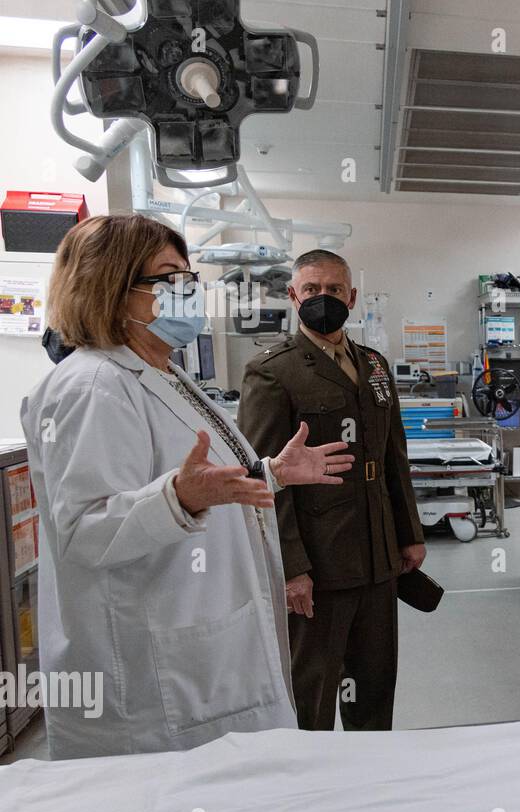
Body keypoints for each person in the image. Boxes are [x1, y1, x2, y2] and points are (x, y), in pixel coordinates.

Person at [21, 214, 353, 759]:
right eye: (168, 280)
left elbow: (192, 479)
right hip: (151, 674)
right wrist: (180, 499)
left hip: (205, 643)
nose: (188, 293)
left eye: (189, 279)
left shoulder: (160, 373)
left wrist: (268, 473)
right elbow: (82, 529)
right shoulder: (93, 387)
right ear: (110, 286)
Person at [239, 249, 424, 732]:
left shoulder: (374, 365)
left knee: (375, 687)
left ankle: (370, 779)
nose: (325, 299)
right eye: (313, 290)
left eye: (335, 290)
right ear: (293, 295)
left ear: (352, 296)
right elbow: (263, 480)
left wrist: (410, 534)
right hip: (318, 565)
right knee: (313, 693)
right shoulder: (272, 371)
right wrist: (291, 567)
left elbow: (392, 457)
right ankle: (313, 789)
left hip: (378, 556)